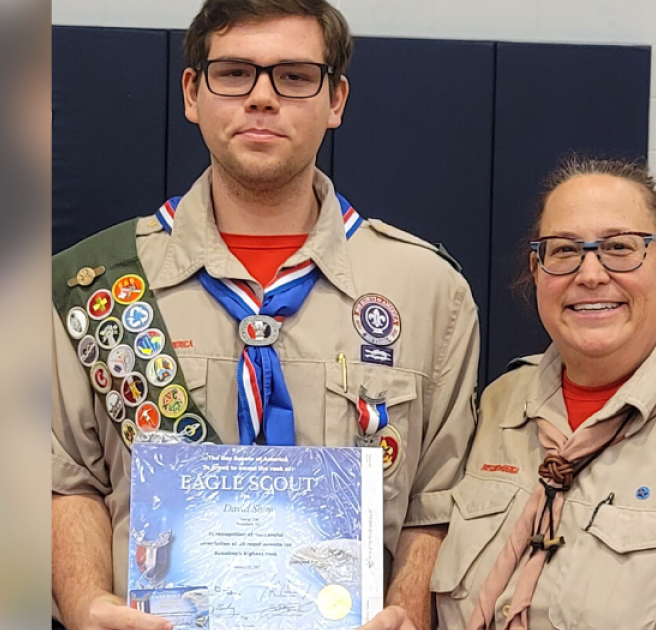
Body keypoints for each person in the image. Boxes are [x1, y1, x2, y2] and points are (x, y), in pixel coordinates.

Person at [50, 2, 480, 629]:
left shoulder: (428, 293)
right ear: (193, 93)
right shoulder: (99, 284)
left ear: (335, 100)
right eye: (234, 73)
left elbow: (434, 502)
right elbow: (67, 477)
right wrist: (85, 604)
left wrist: (408, 616)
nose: (261, 98)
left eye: (295, 76)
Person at [422, 157, 656, 630]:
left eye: (619, 247)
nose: (590, 274)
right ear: (537, 271)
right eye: (564, 251)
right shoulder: (501, 405)